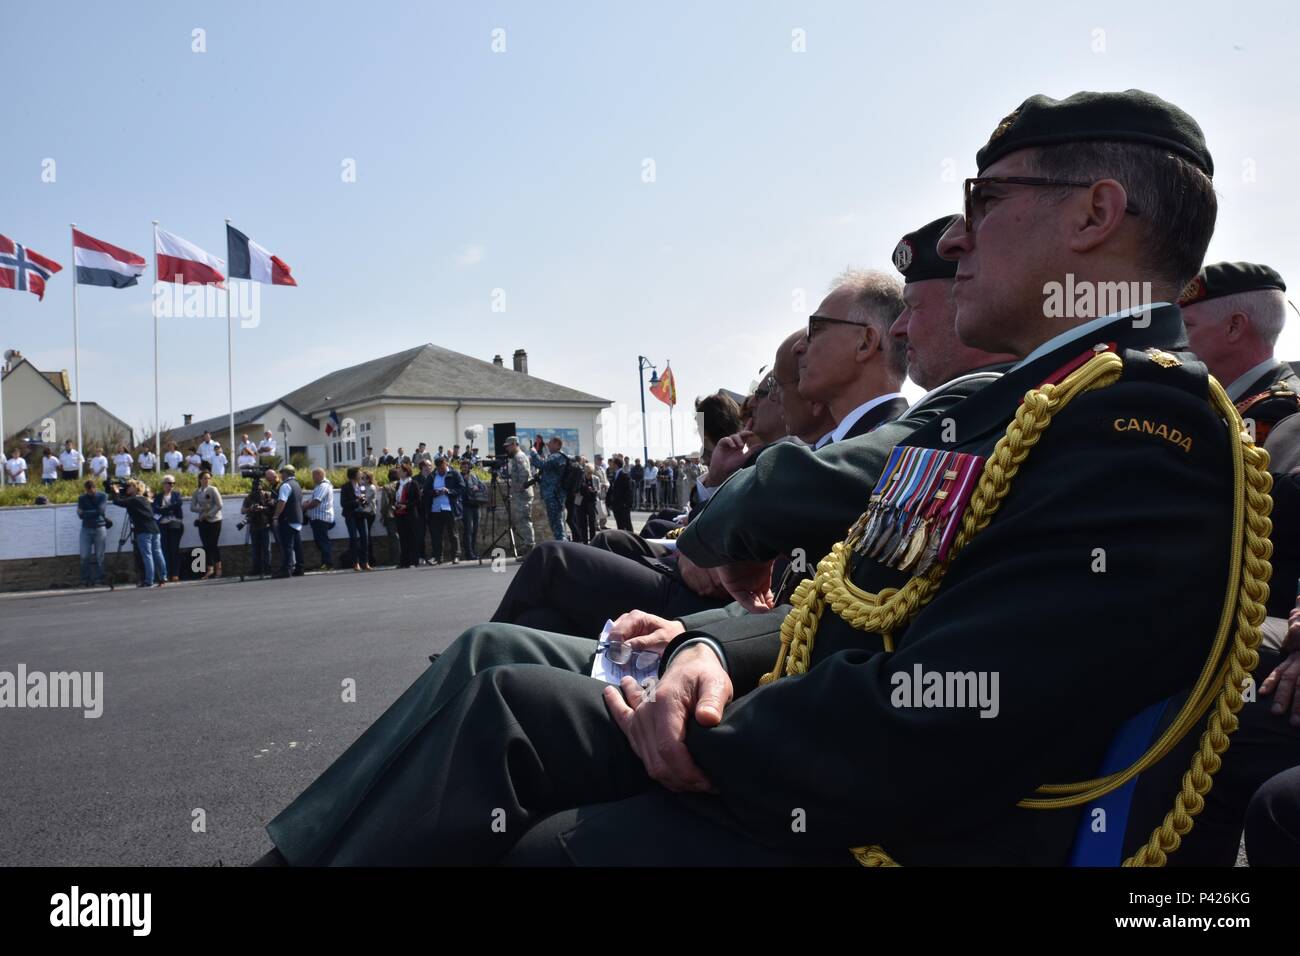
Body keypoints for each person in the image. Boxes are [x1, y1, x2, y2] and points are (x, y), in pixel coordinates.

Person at [260, 89, 1251, 868]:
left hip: (922, 825)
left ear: (1094, 214)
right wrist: (711, 652)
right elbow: (869, 596)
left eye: (985, 202)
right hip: (845, 740)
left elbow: (958, 707)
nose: (955, 239)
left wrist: (713, 729)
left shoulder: (1140, 428)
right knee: (502, 695)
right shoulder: (1022, 403)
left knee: (547, 839)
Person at [1179, 261, 1297, 445]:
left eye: (1186, 326)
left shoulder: (1280, 413)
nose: (1178, 341)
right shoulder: (1226, 400)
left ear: (1234, 327)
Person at [110, 479, 165, 587]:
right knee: (157, 553)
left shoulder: (134, 500)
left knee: (147, 555)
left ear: (136, 488)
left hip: (143, 530)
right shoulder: (145, 499)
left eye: (130, 486)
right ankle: (163, 577)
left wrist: (115, 493)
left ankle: (149, 580)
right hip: (154, 529)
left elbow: (118, 502)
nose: (127, 488)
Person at [529, 435, 570, 542]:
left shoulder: (556, 456)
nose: (547, 445)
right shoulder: (558, 457)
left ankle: (563, 549)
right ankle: (563, 547)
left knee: (557, 526)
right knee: (557, 524)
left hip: (553, 496)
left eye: (550, 443)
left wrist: (533, 452)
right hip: (556, 495)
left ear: (557, 444)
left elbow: (540, 464)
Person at [424, 456, 462, 564]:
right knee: (436, 534)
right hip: (435, 508)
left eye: (442, 468)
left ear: (446, 464)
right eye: (439, 469)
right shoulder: (432, 476)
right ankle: (438, 557)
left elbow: (462, 488)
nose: (441, 471)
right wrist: (435, 492)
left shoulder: (454, 474)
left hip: (449, 507)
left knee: (453, 534)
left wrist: (448, 491)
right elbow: (426, 492)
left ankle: (456, 556)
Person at [241, 468, 278, 577]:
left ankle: (267, 568)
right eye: (256, 488)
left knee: (266, 549)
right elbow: (242, 510)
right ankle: (256, 569)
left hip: (265, 524)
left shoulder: (267, 495)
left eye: (260, 488)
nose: (259, 490)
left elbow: (272, 507)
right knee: (255, 549)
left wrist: (263, 508)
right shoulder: (249, 497)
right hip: (254, 525)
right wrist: (251, 509)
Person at [503, 436, 536, 554]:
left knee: (525, 520)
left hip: (523, 495)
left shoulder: (519, 457)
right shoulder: (517, 457)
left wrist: (520, 488)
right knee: (523, 521)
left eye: (508, 446)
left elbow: (525, 474)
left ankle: (530, 547)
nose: (507, 449)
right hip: (520, 494)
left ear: (513, 444)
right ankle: (528, 545)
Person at [273, 464, 306, 577]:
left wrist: (276, 516)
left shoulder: (285, 485)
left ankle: (286, 569)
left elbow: (282, 502)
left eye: (282, 473)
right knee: (297, 546)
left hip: (287, 519)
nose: (280, 475)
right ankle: (300, 568)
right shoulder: (296, 484)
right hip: (297, 519)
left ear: (285, 473)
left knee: (287, 546)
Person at [190, 470, 224, 579]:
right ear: (200, 480)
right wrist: (202, 509)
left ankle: (218, 569)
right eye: (204, 478)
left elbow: (219, 505)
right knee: (206, 545)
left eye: (208, 478)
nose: (206, 480)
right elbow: (192, 507)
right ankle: (210, 569)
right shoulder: (197, 492)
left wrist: (208, 514)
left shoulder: (213, 489)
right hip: (202, 521)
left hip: (215, 520)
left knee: (213, 544)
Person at [76, 479, 109, 587]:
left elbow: (101, 511)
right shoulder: (82, 498)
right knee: (85, 555)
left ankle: (99, 578)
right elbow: (80, 516)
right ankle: (85, 579)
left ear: (95, 488)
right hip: (86, 528)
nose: (90, 492)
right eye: (88, 491)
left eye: (91, 490)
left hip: (99, 527)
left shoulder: (102, 496)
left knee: (100, 555)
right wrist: (91, 512)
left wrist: (85, 512)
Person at [340, 466, 373, 572]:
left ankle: (365, 562)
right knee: (353, 538)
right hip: (350, 515)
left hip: (361, 515)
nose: (361, 474)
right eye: (359, 473)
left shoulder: (361, 486)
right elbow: (343, 503)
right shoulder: (345, 487)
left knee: (364, 537)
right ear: (354, 475)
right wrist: (356, 501)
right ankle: (355, 563)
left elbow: (364, 500)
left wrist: (365, 502)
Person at [154, 474, 185, 583]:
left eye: (173, 483)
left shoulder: (176, 495)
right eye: (169, 483)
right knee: (164, 549)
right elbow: (156, 509)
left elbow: (178, 504)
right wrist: (169, 508)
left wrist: (164, 509)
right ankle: (165, 573)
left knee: (174, 549)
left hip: (175, 524)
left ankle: (175, 574)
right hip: (162, 525)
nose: (171, 485)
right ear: (163, 484)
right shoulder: (158, 496)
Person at [303, 467, 335, 571]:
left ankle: (327, 564)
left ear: (319, 475)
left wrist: (304, 507)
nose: (312, 478)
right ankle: (325, 564)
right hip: (319, 518)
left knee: (323, 542)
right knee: (321, 542)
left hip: (321, 519)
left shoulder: (323, 486)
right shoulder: (321, 486)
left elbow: (316, 501)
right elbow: (312, 500)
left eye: (314, 476)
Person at [391, 463, 419, 569]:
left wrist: (406, 506)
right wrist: (396, 505)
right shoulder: (399, 484)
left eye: (400, 470)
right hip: (400, 515)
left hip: (410, 514)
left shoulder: (413, 483)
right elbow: (396, 498)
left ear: (405, 472)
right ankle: (404, 561)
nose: (398, 472)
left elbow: (417, 500)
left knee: (411, 538)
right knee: (402, 538)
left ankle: (413, 561)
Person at [459, 459, 487, 560]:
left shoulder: (474, 476)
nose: (465, 468)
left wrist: (477, 488)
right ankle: (469, 553)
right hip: (466, 506)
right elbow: (460, 490)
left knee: (475, 529)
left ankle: (473, 551)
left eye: (467, 466)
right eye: (463, 466)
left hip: (476, 505)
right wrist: (466, 482)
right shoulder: (460, 476)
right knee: (468, 530)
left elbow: (483, 488)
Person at [379, 468, 401, 566]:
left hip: (391, 514)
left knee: (394, 538)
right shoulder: (402, 485)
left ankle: (395, 559)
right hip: (402, 512)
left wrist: (382, 515)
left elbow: (384, 503)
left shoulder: (387, 487)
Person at [572, 462, 599, 544]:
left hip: (591, 502)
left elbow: (598, 490)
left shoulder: (595, 478)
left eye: (591, 473)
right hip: (581, 502)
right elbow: (575, 489)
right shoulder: (580, 478)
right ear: (585, 471)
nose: (589, 475)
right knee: (583, 523)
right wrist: (580, 490)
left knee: (592, 522)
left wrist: (593, 490)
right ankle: (584, 541)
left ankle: (593, 541)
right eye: (588, 473)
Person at [607, 454, 633, 532]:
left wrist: (628, 504)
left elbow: (629, 491)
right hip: (616, 504)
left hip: (623, 504)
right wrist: (608, 501)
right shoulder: (615, 474)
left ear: (616, 465)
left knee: (627, 524)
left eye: (612, 463)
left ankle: (632, 540)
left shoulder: (624, 475)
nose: (611, 464)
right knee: (620, 524)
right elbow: (612, 489)